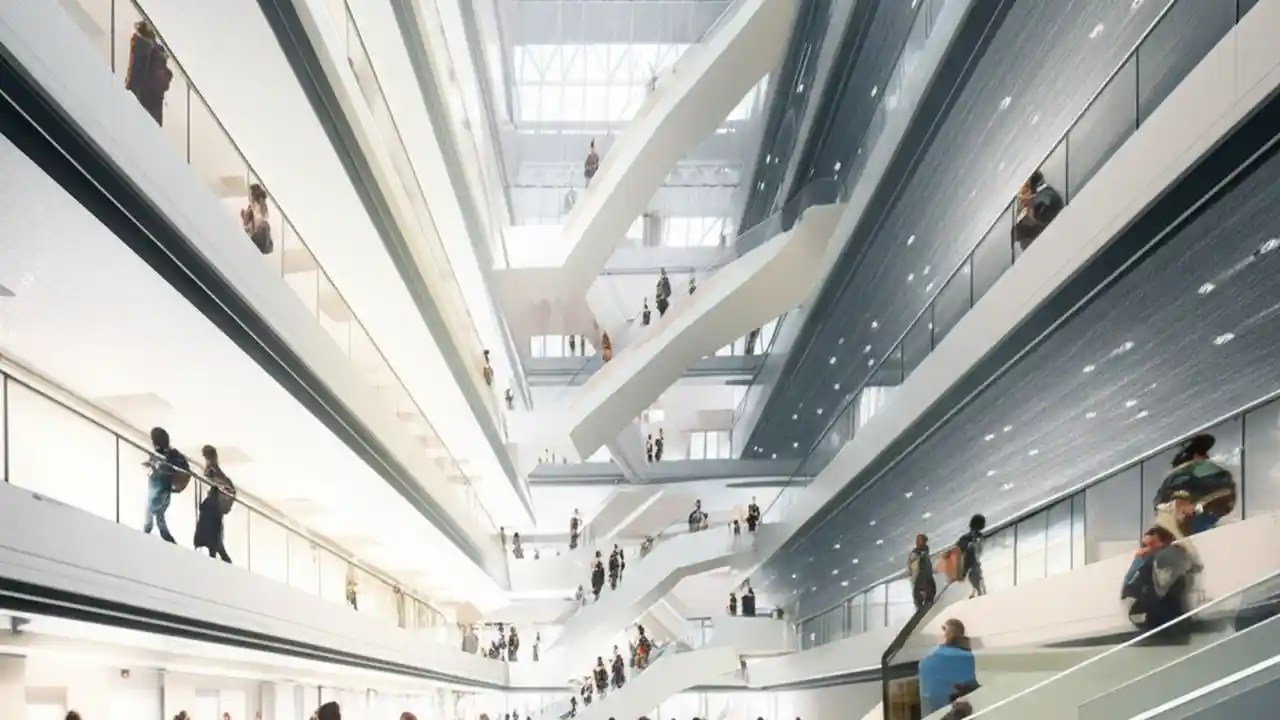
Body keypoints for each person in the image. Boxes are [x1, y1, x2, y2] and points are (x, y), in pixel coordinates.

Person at [1154, 433, 1236, 534]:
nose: (1207, 457)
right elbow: (1178, 490)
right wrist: (1181, 503)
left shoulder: (1208, 476)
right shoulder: (1183, 474)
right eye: (1201, 454)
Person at [1122, 525, 1192, 633]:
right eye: (1144, 546)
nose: (1146, 549)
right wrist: (1138, 560)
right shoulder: (1150, 561)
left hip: (1166, 618)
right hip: (1163, 618)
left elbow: (1129, 587)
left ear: (1163, 543)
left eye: (1151, 544)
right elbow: (1128, 586)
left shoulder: (1163, 557)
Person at [918, 618, 976, 715]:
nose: (938, 636)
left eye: (941, 632)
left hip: (939, 709)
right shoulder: (967, 656)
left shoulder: (938, 657)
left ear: (948, 635)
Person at [143, 426, 188, 543]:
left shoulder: (163, 455)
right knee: (159, 516)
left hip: (158, 489)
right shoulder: (168, 454)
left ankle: (145, 534)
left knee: (150, 512)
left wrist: (155, 466)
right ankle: (168, 539)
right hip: (163, 489)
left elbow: (165, 469)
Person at [125, 21, 173, 125]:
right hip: (151, 103)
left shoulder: (146, 47)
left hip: (147, 100)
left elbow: (136, 75)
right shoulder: (157, 51)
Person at [193, 445, 236, 563]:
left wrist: (212, 482)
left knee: (214, 537)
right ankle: (221, 558)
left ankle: (219, 558)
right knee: (216, 539)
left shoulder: (214, 471)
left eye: (206, 457)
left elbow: (222, 485)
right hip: (213, 508)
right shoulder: (212, 470)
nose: (206, 459)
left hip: (213, 508)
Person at [1012, 170, 1064, 252]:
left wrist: (1030, 209)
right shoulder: (1025, 208)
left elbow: (1044, 216)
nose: (1021, 197)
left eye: (1025, 190)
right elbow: (1017, 236)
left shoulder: (1047, 197)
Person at [956, 514, 987, 597]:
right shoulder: (977, 537)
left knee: (976, 578)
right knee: (977, 578)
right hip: (971, 565)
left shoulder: (966, 538)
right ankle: (978, 592)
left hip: (971, 565)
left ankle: (977, 592)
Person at [238, 182, 274, 254]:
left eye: (251, 194)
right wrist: (245, 217)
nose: (250, 196)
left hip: (260, 235)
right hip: (254, 235)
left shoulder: (261, 207)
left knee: (264, 225)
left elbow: (263, 217)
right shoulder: (251, 208)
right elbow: (247, 225)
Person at [909, 533, 937, 610]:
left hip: (927, 574)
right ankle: (920, 606)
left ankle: (927, 602)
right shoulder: (915, 553)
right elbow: (910, 563)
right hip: (921, 576)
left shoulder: (926, 549)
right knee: (920, 591)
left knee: (930, 589)